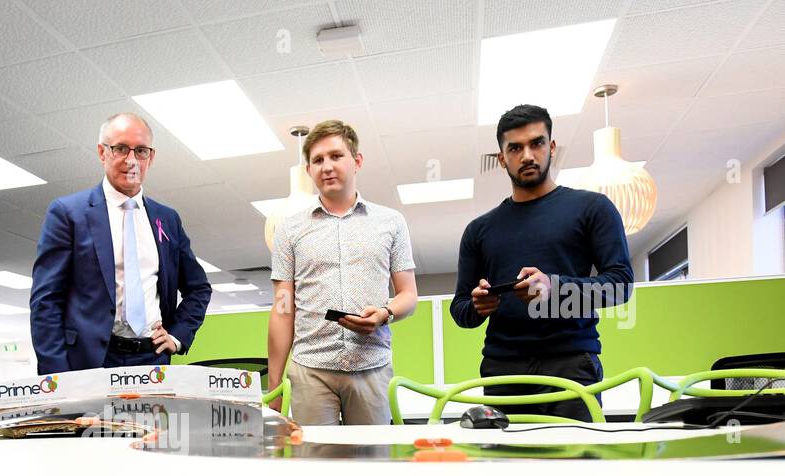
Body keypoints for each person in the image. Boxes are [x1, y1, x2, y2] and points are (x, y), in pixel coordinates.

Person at [451, 103, 634, 420]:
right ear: (501, 158)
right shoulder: (479, 230)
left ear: (551, 147)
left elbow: (620, 286)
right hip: (502, 369)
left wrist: (555, 287)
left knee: (574, 461)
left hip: (571, 364)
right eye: (515, 148)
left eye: (536, 143)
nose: (527, 156)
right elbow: (461, 310)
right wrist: (478, 306)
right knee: (508, 465)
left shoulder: (592, 208)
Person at [30, 112, 212, 373]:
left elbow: (198, 289)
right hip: (89, 363)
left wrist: (177, 335)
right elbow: (46, 301)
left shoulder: (167, 219)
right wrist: (57, 378)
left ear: (151, 157)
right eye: (121, 149)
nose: (131, 160)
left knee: (153, 417)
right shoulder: (68, 213)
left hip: (153, 359)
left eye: (140, 151)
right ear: (102, 153)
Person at [267, 119, 418, 425]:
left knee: (371, 464)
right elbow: (283, 310)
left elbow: (409, 295)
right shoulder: (289, 230)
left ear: (357, 161)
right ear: (309, 170)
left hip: (371, 367)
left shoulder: (391, 222)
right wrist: (273, 385)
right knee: (316, 464)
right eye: (317, 160)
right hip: (310, 370)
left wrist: (385, 313)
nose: (326, 166)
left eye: (336, 156)